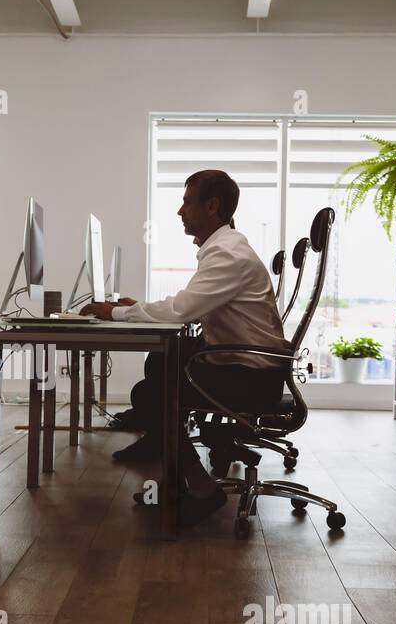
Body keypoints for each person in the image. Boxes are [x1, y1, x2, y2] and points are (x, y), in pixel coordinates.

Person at [80, 169, 290, 474]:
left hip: (252, 378)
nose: (180, 211)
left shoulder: (228, 254)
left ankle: (198, 487)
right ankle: (160, 442)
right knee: (161, 361)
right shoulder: (225, 247)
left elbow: (181, 311)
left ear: (212, 206)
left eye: (187, 202)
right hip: (251, 366)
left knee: (148, 393)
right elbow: (188, 303)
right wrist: (137, 307)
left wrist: (115, 312)